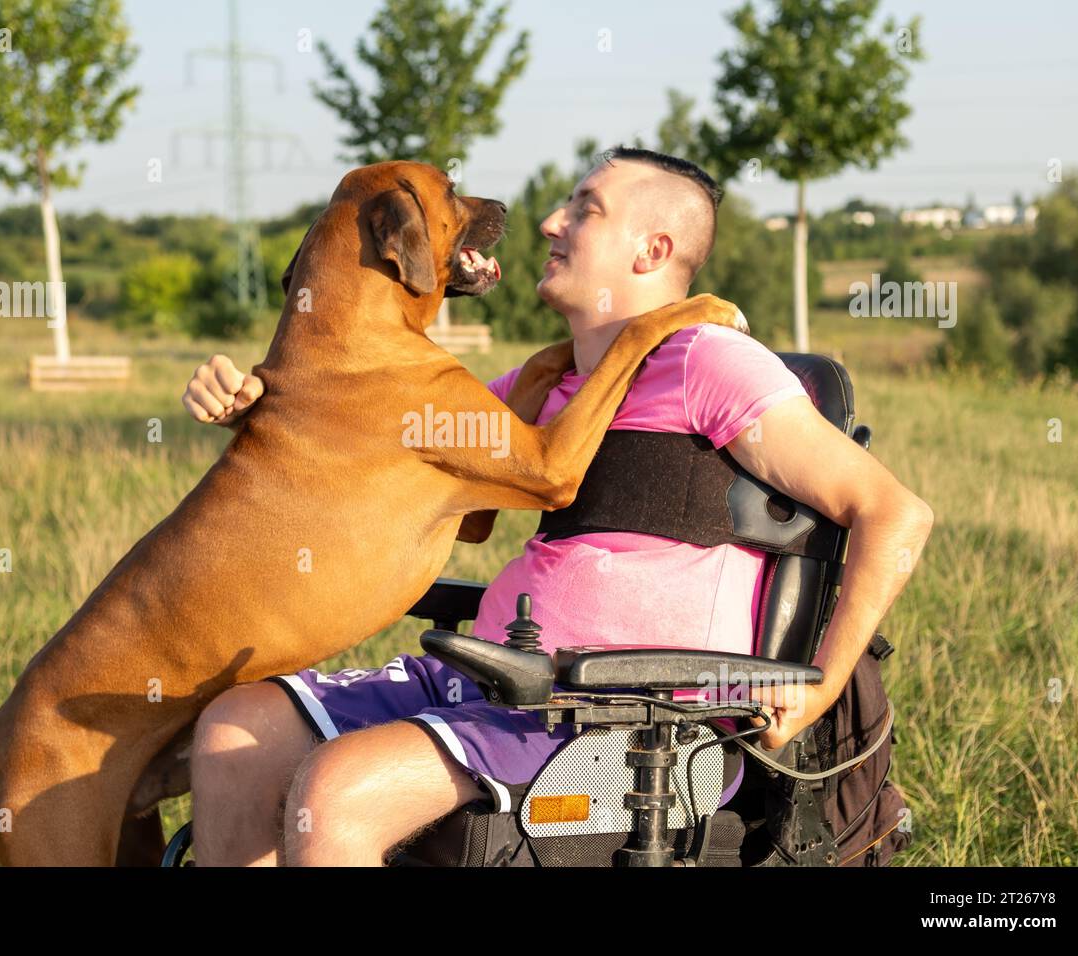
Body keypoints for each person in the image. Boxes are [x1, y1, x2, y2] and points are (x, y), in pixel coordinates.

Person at [179, 147, 934, 867]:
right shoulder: (544, 386)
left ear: (650, 250)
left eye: (584, 210)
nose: (549, 224)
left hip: (633, 729)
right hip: (497, 684)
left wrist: (821, 683)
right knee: (235, 730)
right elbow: (371, 453)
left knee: (339, 789)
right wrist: (257, 404)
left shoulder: (706, 360)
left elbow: (894, 513)